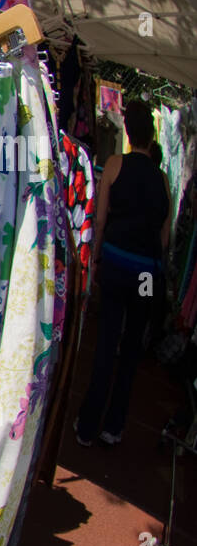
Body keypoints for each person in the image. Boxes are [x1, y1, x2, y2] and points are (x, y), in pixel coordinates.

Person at [75, 100, 173, 446]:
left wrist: (95, 259)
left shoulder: (115, 165)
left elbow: (99, 221)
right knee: (131, 345)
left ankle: (87, 425)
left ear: (128, 132)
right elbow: (164, 237)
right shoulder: (163, 180)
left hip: (116, 265)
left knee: (106, 341)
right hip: (146, 273)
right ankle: (113, 426)